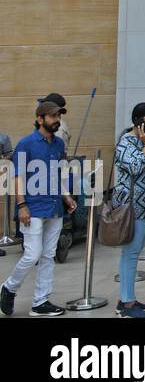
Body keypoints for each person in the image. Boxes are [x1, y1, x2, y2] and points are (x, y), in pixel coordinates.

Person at [1, 102, 74, 317]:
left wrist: (67, 197)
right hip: (32, 207)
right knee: (32, 254)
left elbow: (57, 174)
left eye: (58, 116)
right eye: (52, 116)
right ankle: (9, 287)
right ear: (40, 119)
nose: (56, 120)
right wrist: (22, 205)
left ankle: (41, 302)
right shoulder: (26, 144)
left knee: (48, 255)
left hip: (54, 206)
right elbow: (18, 177)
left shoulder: (59, 144)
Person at [113, 103, 145, 318]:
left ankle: (127, 297)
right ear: (139, 120)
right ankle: (126, 305)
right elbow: (135, 167)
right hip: (131, 208)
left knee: (133, 253)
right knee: (130, 254)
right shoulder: (126, 142)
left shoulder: (144, 140)